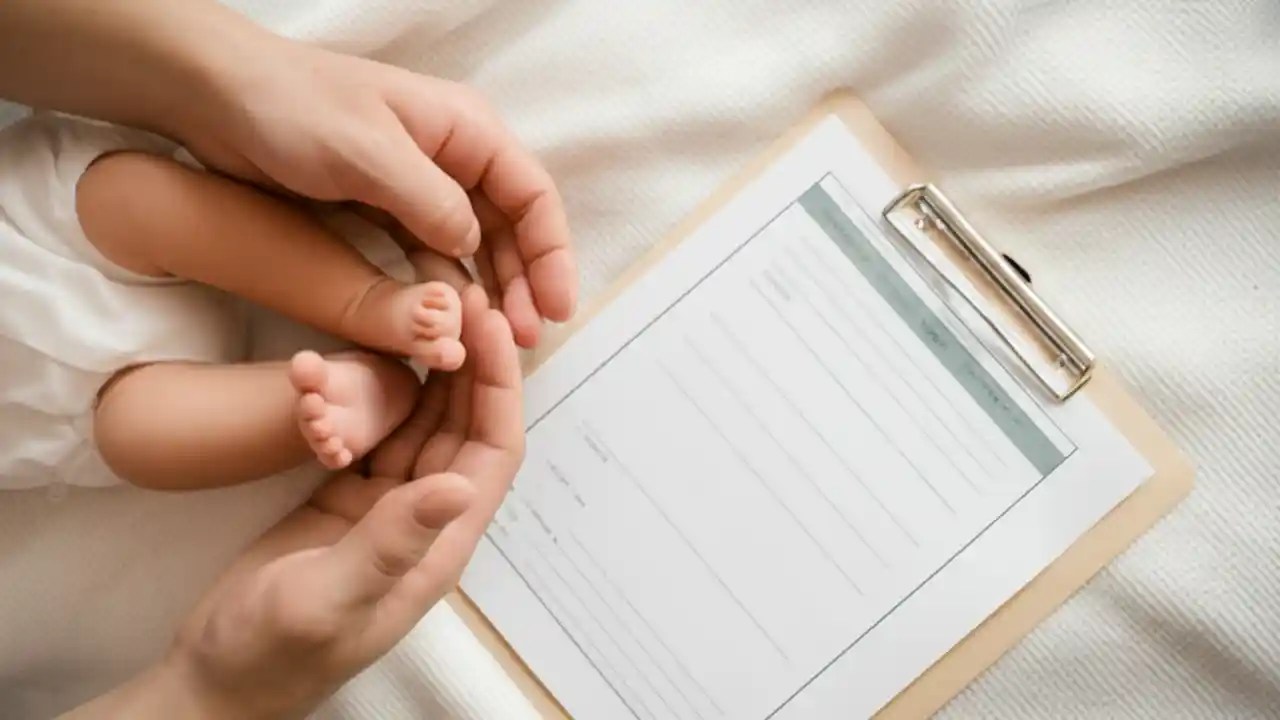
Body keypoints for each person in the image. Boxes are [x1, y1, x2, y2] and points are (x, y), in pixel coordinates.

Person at [0, 0, 574, 714]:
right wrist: (210, 694)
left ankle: (367, 304)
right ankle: (337, 395)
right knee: (136, 433)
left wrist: (230, 75)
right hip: (44, 405)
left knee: (136, 203)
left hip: (33, 233)